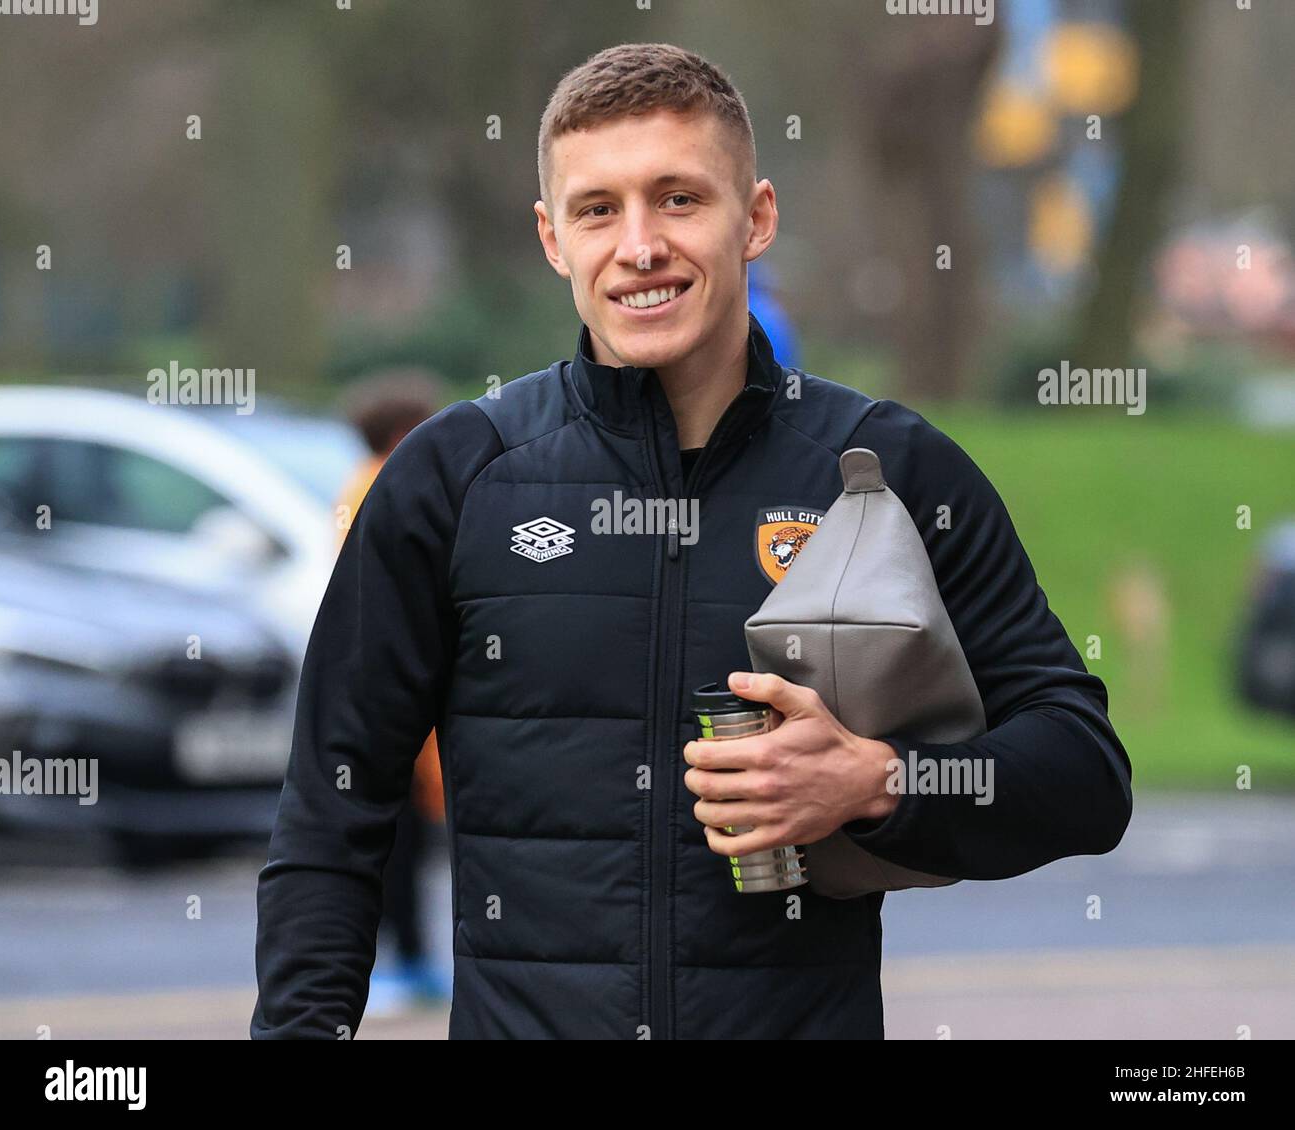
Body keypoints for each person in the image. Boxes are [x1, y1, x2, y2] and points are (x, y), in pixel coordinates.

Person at [251, 42, 1132, 1040]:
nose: (639, 245)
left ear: (754, 216)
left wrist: (877, 779)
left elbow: (1084, 771)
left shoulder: (882, 471)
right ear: (552, 237)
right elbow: (331, 813)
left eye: (678, 198)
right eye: (597, 209)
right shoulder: (453, 478)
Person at [334, 369, 450, 1009]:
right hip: (395, 705)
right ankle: (400, 964)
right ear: (403, 431)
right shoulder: (386, 486)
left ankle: (411, 961)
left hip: (391, 699)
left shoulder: (369, 484)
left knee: (403, 845)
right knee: (397, 847)